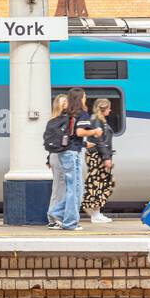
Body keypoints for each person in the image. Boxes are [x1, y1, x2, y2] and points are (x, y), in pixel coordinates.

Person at [46, 87, 103, 231]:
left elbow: (70, 134)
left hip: (66, 152)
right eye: (84, 96)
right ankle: (70, 222)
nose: (86, 99)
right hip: (72, 154)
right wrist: (95, 131)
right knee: (75, 189)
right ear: (80, 98)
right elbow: (79, 132)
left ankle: (57, 213)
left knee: (76, 189)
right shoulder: (81, 113)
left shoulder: (67, 113)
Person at [81, 98, 116, 224]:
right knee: (98, 184)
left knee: (102, 183)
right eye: (109, 108)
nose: (110, 110)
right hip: (98, 156)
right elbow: (100, 141)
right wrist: (106, 158)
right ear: (103, 108)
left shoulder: (100, 120)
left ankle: (94, 211)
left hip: (98, 155)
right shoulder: (97, 121)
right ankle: (95, 213)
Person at [45, 93, 69, 227]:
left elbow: (50, 142)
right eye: (65, 102)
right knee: (60, 188)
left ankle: (53, 217)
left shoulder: (52, 121)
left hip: (54, 155)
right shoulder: (64, 121)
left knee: (58, 187)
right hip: (61, 155)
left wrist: (48, 158)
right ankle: (54, 218)